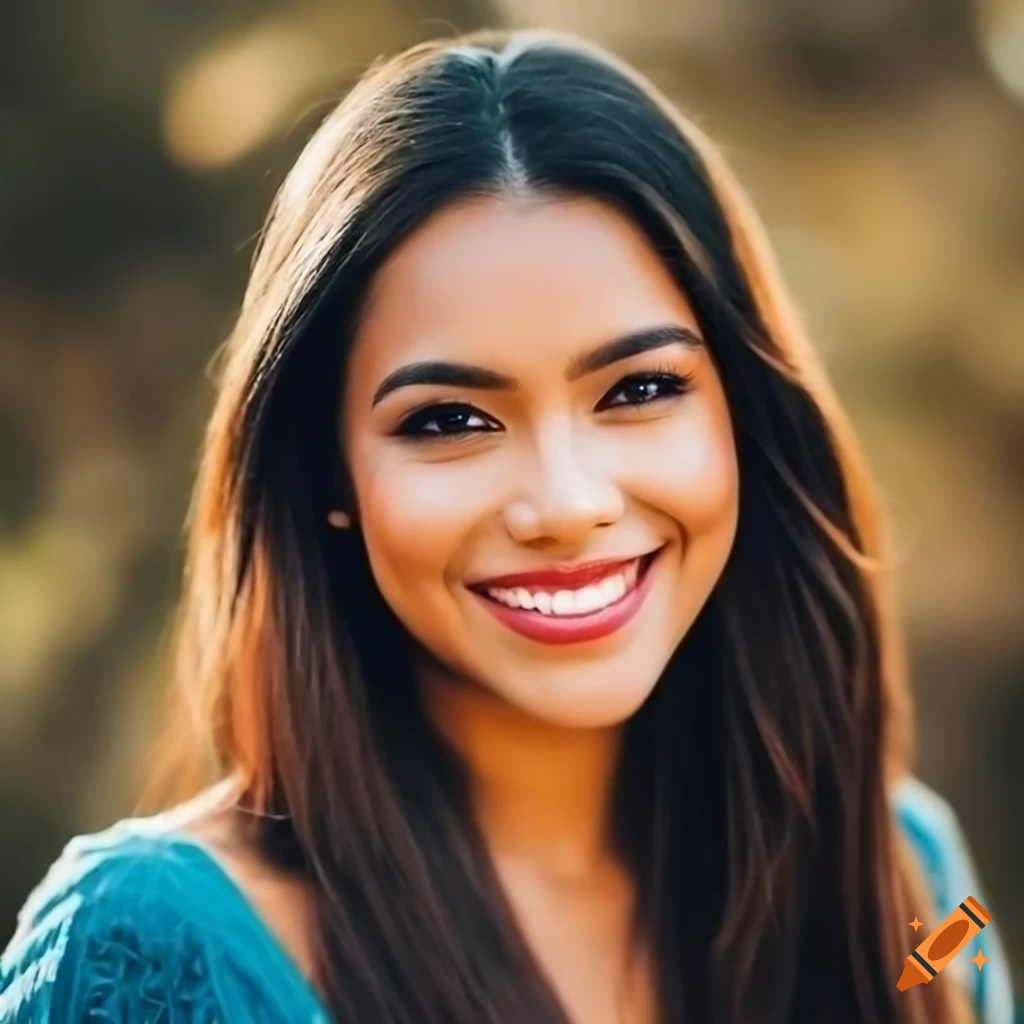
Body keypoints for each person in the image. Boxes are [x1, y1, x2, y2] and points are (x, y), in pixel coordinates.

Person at [0, 27, 1014, 1024]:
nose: (568, 504)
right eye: (449, 420)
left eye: (641, 389)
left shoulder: (913, 879)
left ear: (744, 414)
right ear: (326, 471)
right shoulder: (149, 953)